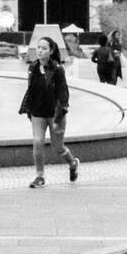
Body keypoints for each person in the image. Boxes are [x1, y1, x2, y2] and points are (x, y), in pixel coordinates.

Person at [18, 37, 80, 189]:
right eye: (38, 47)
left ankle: (73, 163)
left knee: (58, 147)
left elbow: (63, 95)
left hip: (54, 114)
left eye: (44, 48)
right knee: (37, 142)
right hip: (38, 113)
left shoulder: (58, 69)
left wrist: (59, 117)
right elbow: (31, 90)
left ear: (51, 51)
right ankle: (40, 176)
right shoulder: (32, 67)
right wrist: (29, 110)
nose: (40, 50)